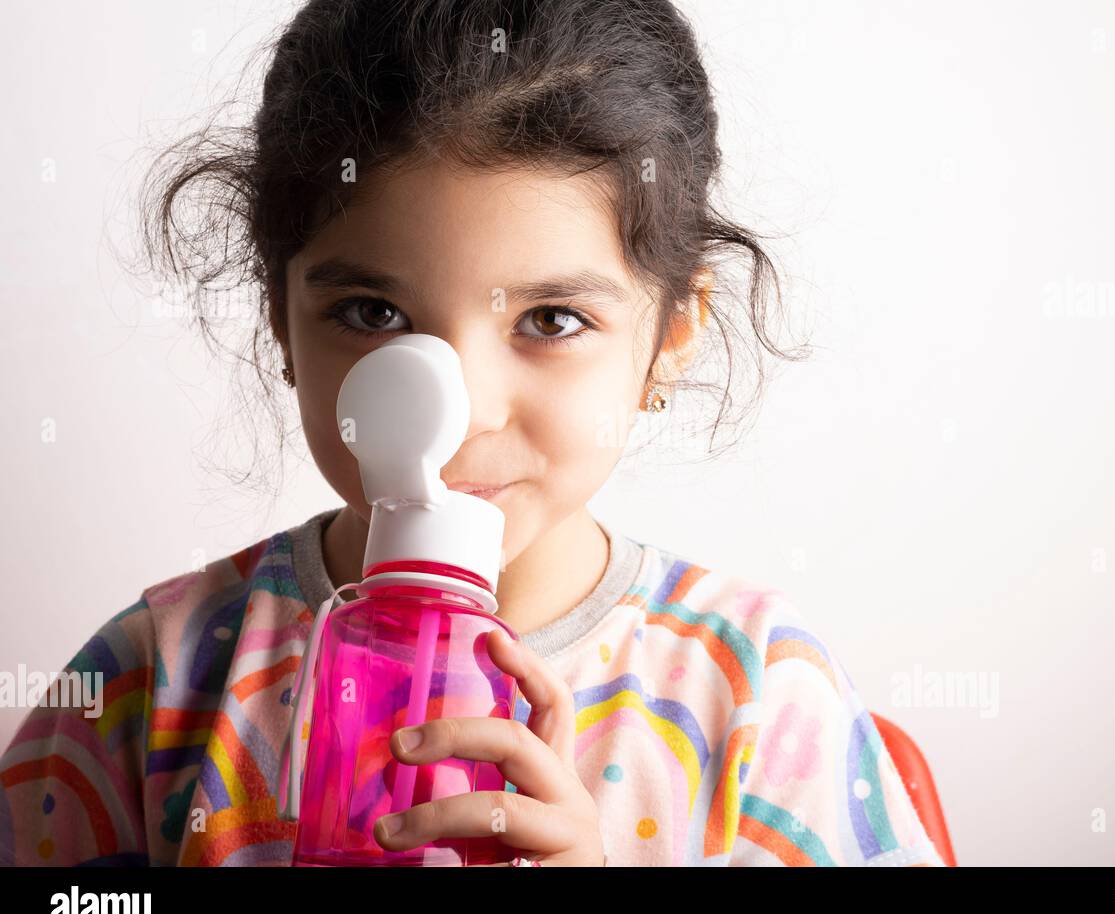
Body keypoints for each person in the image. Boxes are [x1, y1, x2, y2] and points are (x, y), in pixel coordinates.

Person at [0, 0, 944, 867]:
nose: (461, 418)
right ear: (280, 319)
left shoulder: (758, 706)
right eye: (372, 314)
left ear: (671, 336)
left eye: (551, 320)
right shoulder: (151, 682)